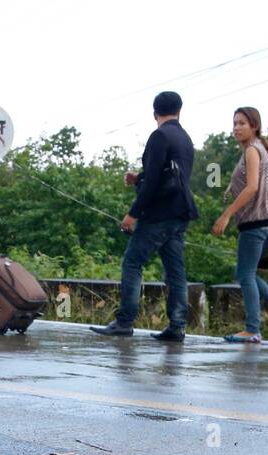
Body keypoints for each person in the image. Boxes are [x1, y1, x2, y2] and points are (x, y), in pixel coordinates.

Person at [90, 91, 198, 341]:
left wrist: (133, 213)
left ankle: (125, 321)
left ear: (154, 113)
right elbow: (168, 177)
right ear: (179, 111)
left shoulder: (159, 136)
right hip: (180, 213)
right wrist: (138, 178)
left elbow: (154, 184)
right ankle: (177, 326)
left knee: (132, 263)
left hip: (158, 214)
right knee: (175, 271)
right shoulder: (184, 138)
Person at [212, 107, 268, 343]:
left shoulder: (252, 150)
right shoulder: (261, 151)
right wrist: (231, 189)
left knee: (245, 274)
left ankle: (252, 328)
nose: (237, 128)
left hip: (256, 221)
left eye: (242, 123)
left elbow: (252, 188)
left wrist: (226, 215)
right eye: (235, 123)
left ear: (255, 126)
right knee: (245, 273)